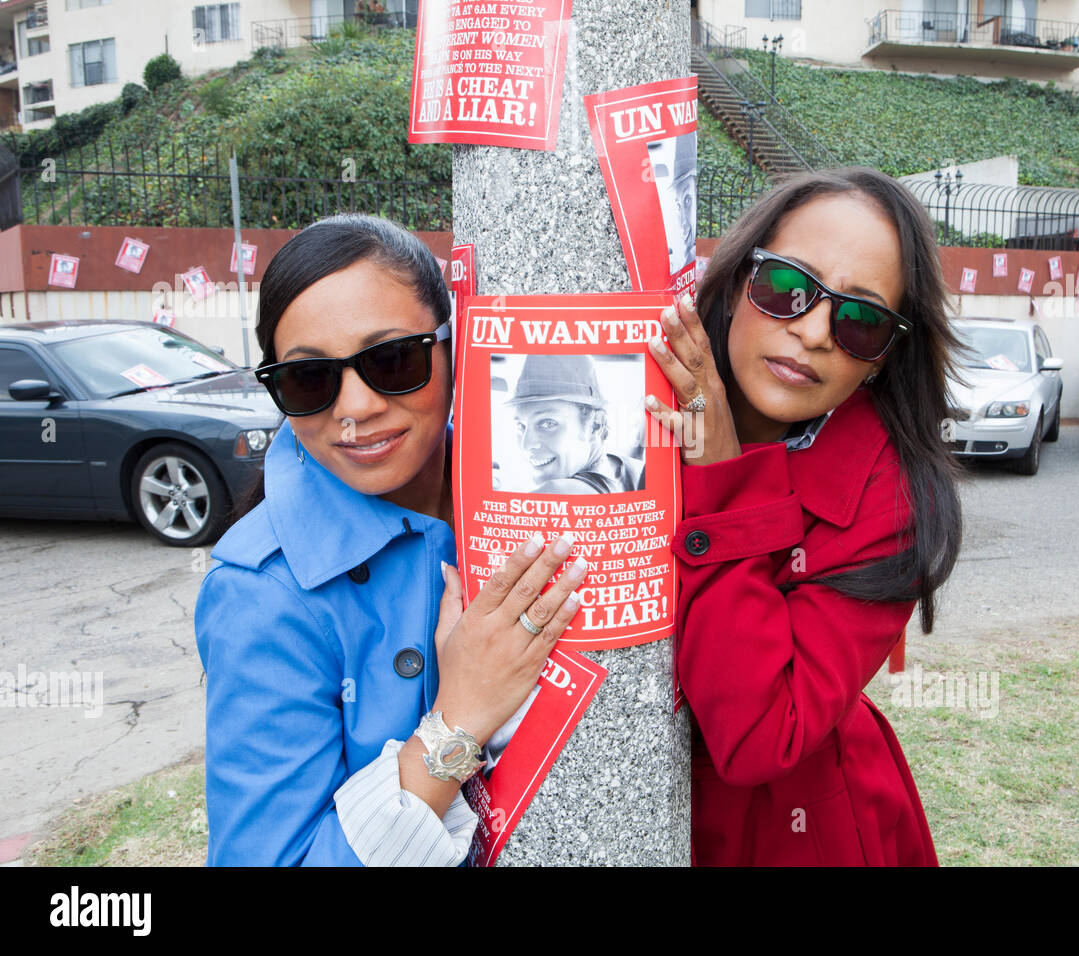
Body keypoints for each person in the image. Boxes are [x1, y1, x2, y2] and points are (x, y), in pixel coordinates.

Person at [194, 214, 589, 866]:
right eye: (310, 380)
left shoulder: (528, 485)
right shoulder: (261, 593)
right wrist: (457, 721)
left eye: (391, 360)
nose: (355, 407)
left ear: (455, 349)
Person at [644, 167, 964, 866]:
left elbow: (760, 731)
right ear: (736, 281)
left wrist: (725, 477)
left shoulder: (892, 500)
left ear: (883, 358)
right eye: (788, 288)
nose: (815, 331)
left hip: (793, 830)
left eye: (860, 319)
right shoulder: (633, 385)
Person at [507, 353, 644, 494]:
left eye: (547, 423)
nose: (526, 445)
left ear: (595, 426)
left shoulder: (555, 493)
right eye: (521, 426)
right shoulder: (637, 470)